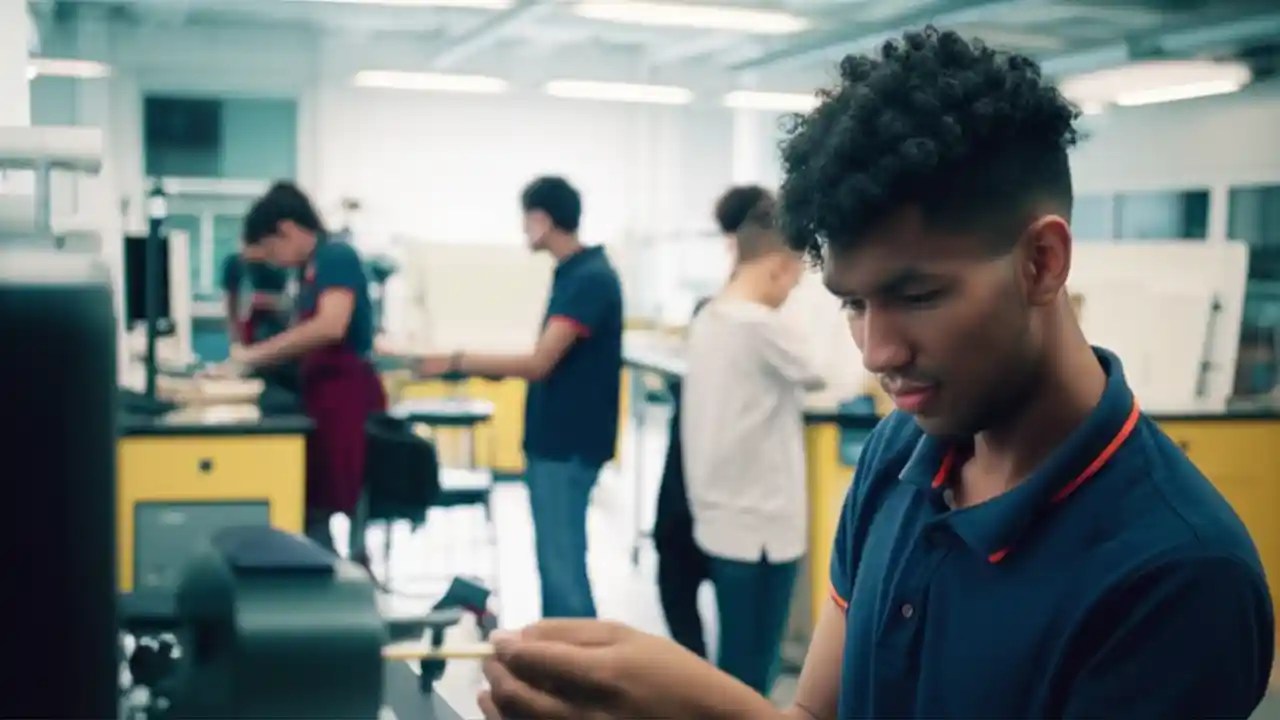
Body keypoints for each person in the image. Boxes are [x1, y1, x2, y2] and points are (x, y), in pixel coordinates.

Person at [477, 27, 1274, 720]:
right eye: (852, 303)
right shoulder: (901, 455)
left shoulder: (1178, 577)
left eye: (916, 295)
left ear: (1042, 261)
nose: (876, 351)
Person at [417, 176, 623, 619]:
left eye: (526, 219)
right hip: (558, 441)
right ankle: (563, 667)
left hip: (567, 445)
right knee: (557, 563)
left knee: (562, 567)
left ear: (542, 219)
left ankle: (580, 676)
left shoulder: (589, 279)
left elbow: (540, 363)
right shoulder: (575, 274)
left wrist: (455, 360)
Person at [681, 186, 824, 695]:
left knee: (734, 664)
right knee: (751, 676)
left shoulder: (708, 317)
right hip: (764, 526)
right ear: (778, 267)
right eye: (796, 277)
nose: (793, 290)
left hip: (720, 517)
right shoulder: (763, 326)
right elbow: (822, 370)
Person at [228, 181, 386, 557]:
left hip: (345, 399)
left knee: (338, 497)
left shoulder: (336, 256)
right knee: (315, 501)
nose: (273, 259)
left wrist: (255, 355)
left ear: (287, 230)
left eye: (271, 248)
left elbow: (331, 325)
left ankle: (347, 581)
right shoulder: (310, 270)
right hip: (321, 396)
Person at [652, 186, 773, 658]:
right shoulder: (717, 310)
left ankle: (705, 676)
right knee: (677, 572)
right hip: (696, 469)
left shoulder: (755, 312)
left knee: (686, 576)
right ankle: (700, 674)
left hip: (719, 477)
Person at [220, 241, 299, 397]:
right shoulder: (236, 265)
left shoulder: (285, 264)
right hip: (250, 342)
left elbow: (295, 306)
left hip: (280, 346)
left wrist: (275, 302)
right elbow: (232, 308)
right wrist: (236, 345)